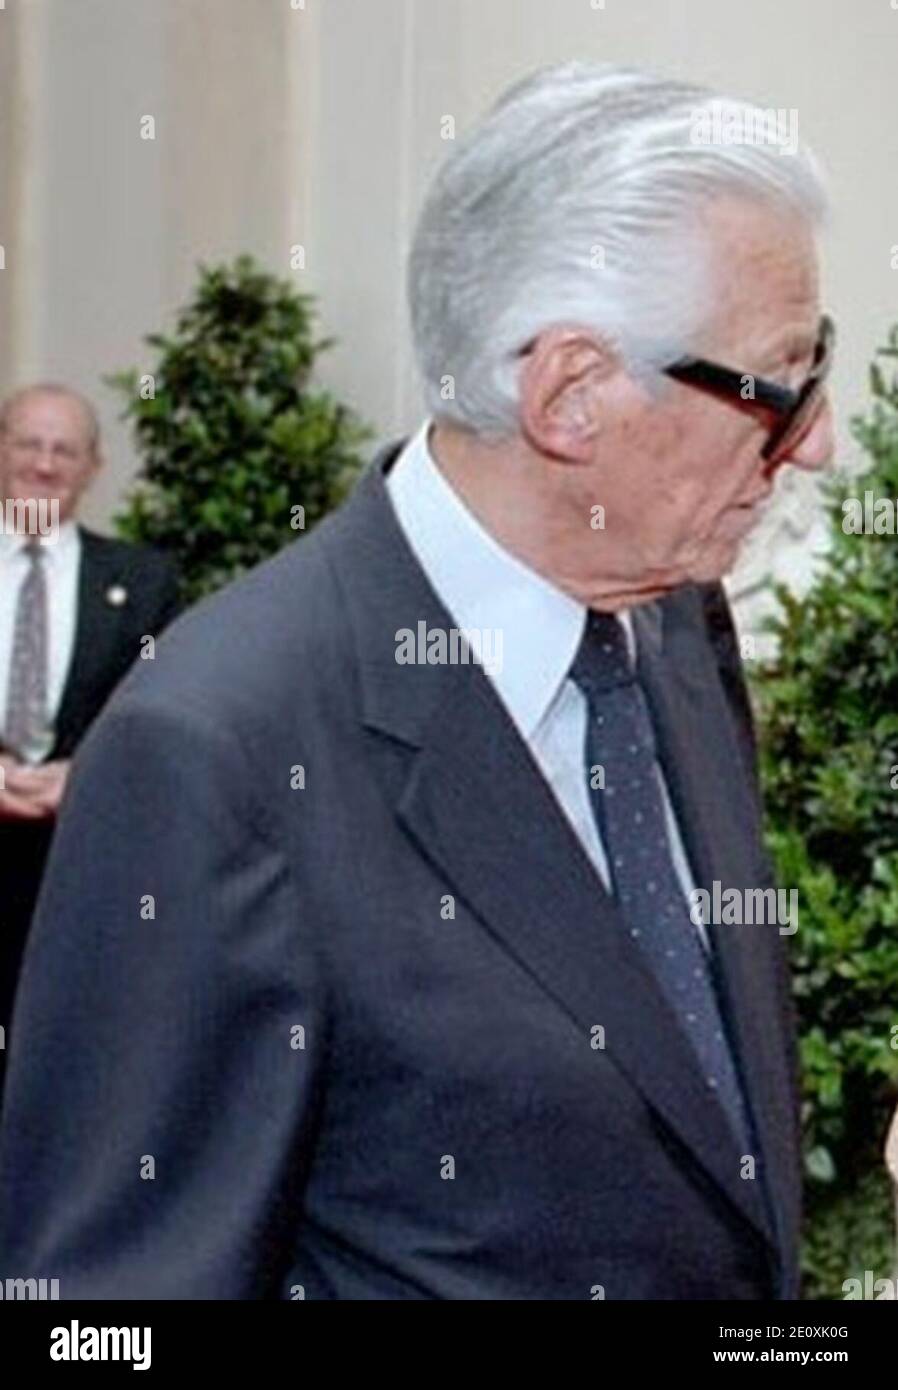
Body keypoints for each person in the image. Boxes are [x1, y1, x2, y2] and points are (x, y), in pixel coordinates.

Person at [0, 64, 834, 1299]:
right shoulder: (217, 749)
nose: (816, 442)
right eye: (780, 385)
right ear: (570, 393)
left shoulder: (674, 626)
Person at [0, 384, 181, 1093]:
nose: (45, 465)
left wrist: (86, 774)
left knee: (64, 1073)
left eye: (64, 450)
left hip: (82, 866)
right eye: (29, 444)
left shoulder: (142, 581)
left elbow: (164, 716)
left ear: (93, 467)